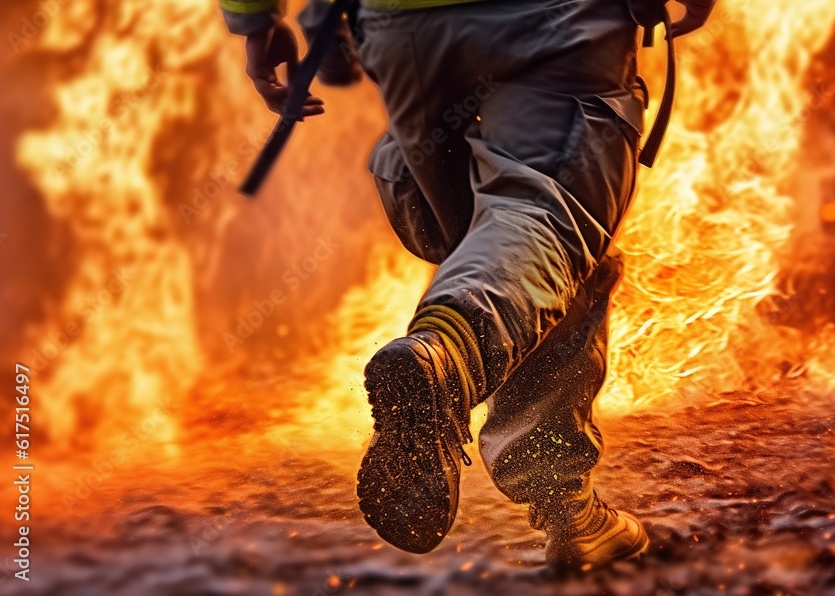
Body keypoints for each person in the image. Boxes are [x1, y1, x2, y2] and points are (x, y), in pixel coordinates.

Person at [220, 0, 716, 569]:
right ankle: (451, 365)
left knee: (516, 249)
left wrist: (255, 18)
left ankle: (568, 507)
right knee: (544, 219)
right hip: (557, 18)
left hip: (402, 29)